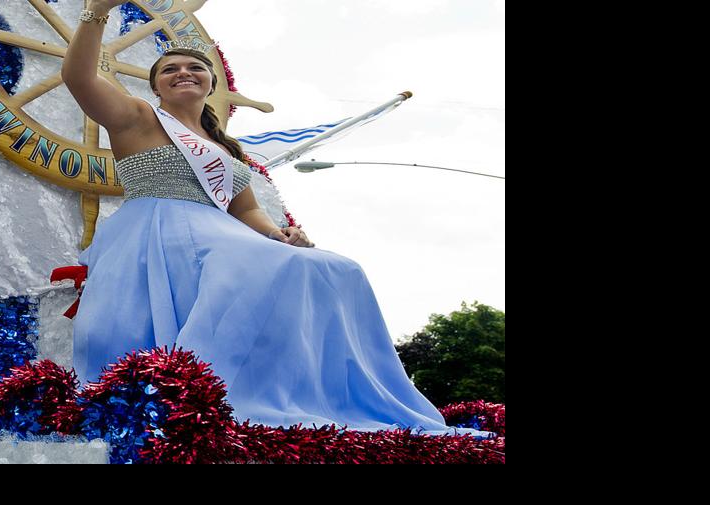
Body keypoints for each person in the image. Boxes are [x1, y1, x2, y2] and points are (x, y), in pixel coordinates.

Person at [62, 2, 489, 435]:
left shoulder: (224, 148)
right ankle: (206, 389)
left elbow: (246, 209)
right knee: (244, 265)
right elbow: (78, 79)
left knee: (336, 269)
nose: (183, 72)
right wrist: (96, 11)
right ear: (155, 87)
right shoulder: (137, 117)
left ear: (211, 83)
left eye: (195, 66)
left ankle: (316, 394)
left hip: (218, 234)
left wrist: (281, 235)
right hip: (157, 231)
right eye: (170, 69)